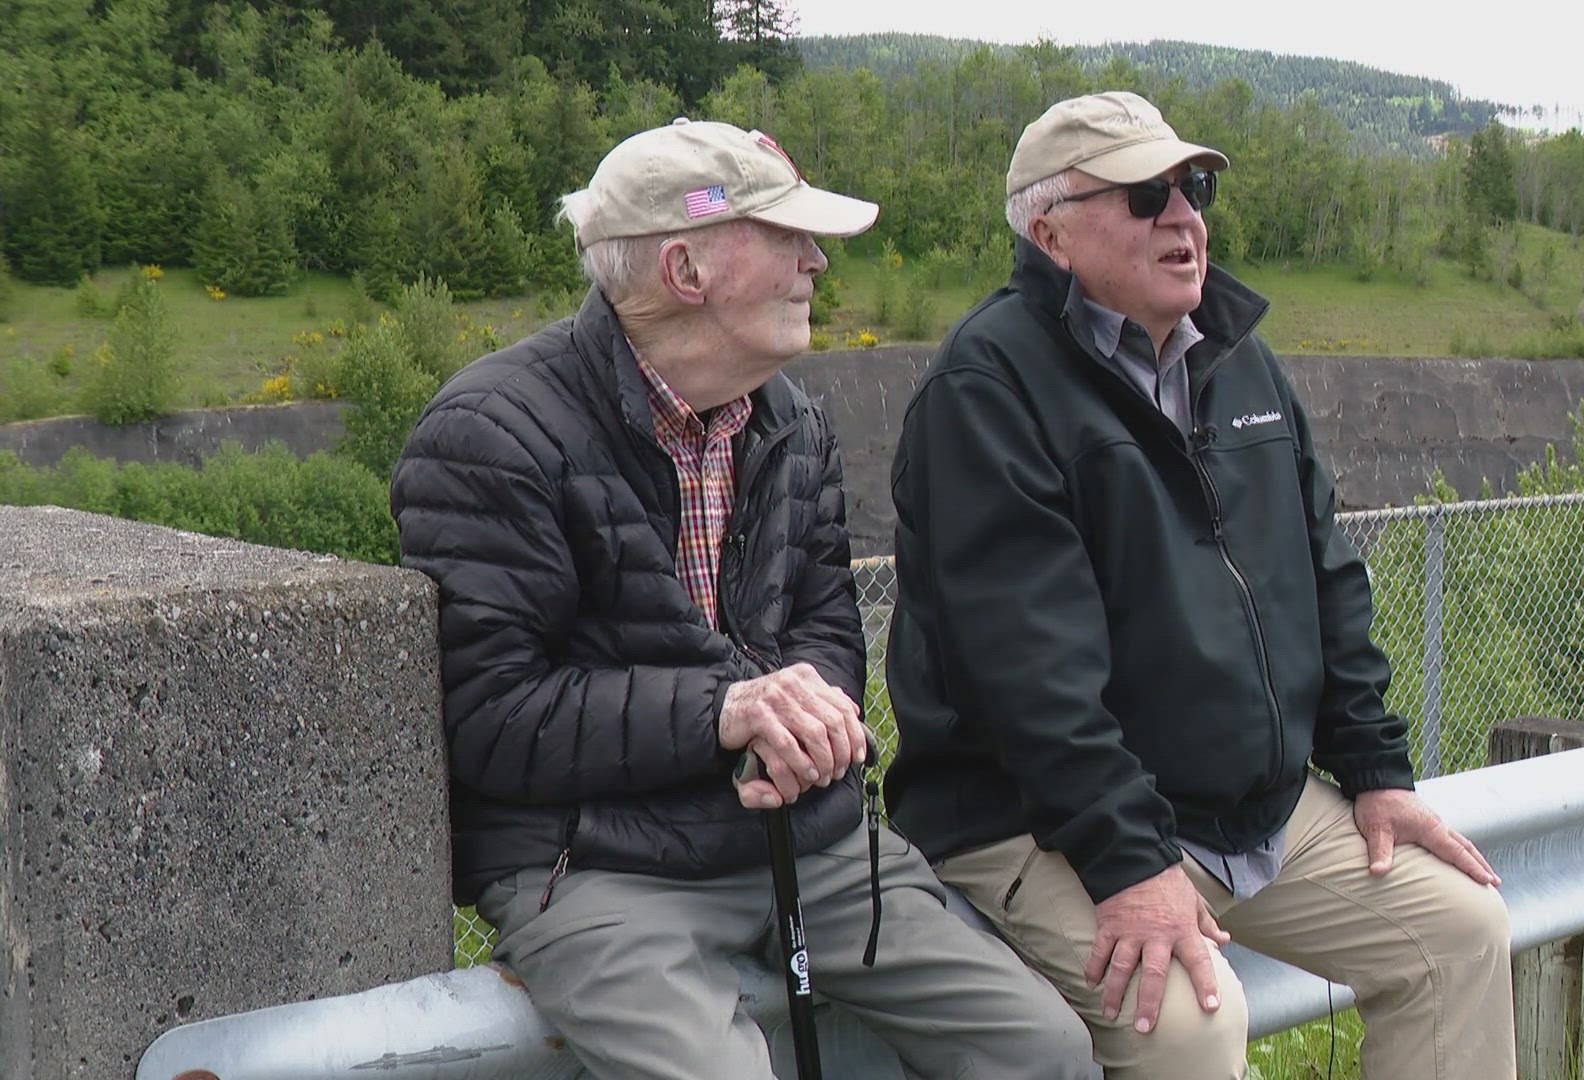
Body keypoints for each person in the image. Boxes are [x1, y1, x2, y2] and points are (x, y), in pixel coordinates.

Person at [391, 118, 1093, 1080]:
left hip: (803, 839)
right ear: (687, 271)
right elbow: (493, 716)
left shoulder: (790, 418)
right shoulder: (492, 434)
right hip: (599, 864)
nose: (818, 264)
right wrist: (727, 713)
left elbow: (826, 626)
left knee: (1042, 1050)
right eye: (789, 238)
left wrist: (805, 720)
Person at [884, 91, 1517, 1079]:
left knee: (1458, 931)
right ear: (1050, 232)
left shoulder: (1239, 361)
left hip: (1245, 811)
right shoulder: (989, 391)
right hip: (1042, 820)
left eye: (1195, 187)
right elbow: (1026, 671)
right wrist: (1131, 862)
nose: (1185, 218)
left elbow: (1325, 575)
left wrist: (1377, 772)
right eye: (1145, 196)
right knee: (1188, 1026)